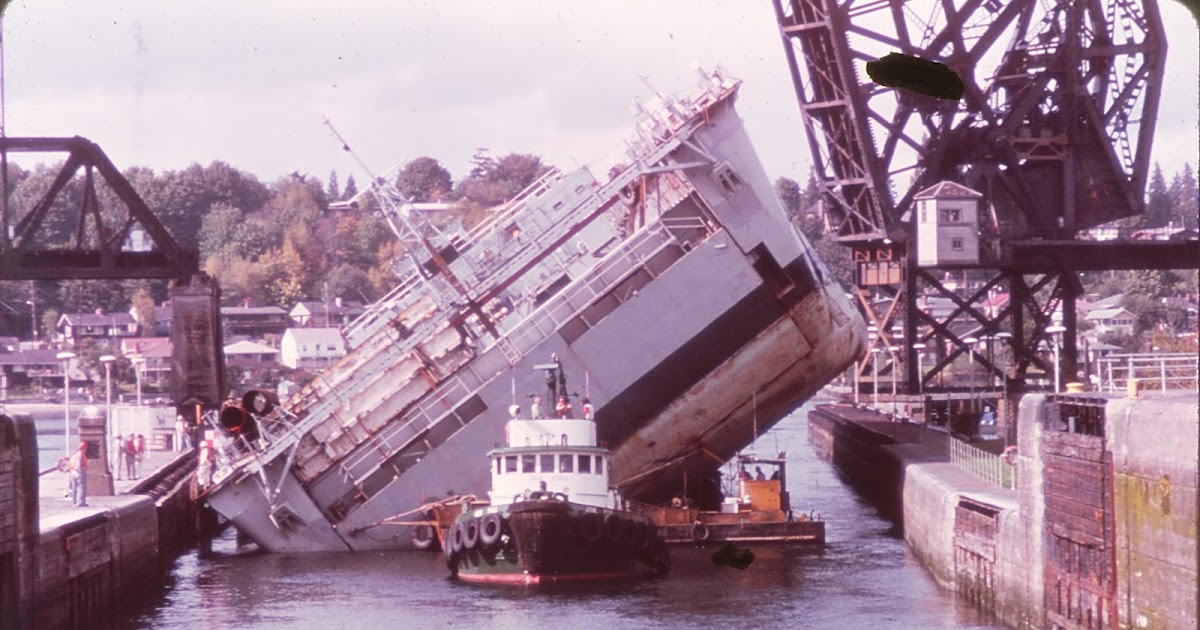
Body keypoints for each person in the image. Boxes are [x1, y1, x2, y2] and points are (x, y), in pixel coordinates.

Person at [67, 441, 88, 507]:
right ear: (84, 448)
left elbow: (70, 464)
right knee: (81, 487)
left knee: (74, 487)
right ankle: (80, 502)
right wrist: (81, 472)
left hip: (72, 472)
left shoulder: (74, 455)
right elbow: (78, 464)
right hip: (79, 472)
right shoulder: (81, 455)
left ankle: (74, 501)